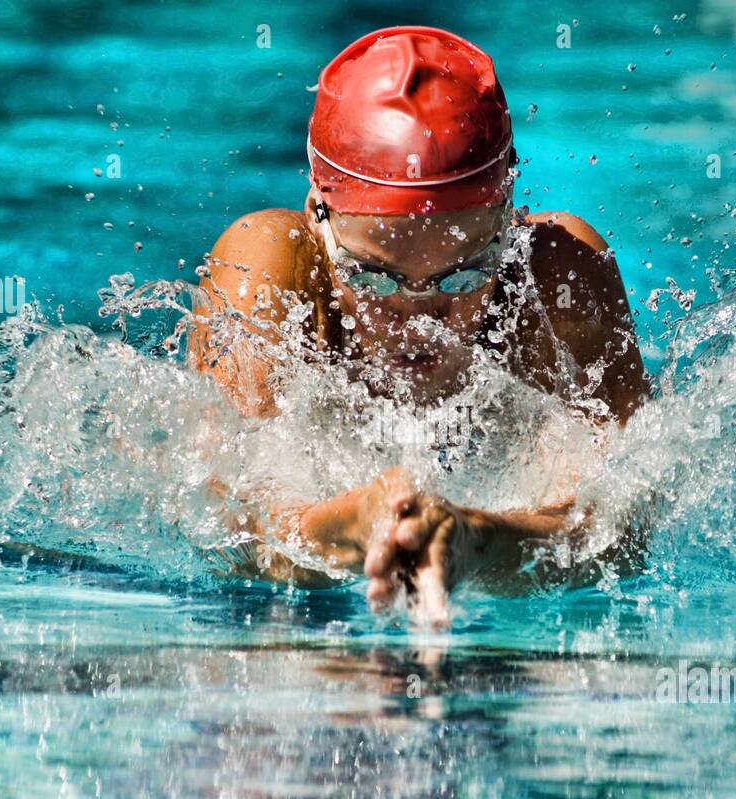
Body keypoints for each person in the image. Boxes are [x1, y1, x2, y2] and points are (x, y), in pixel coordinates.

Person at [190, 26, 650, 626]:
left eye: (464, 274)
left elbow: (625, 525)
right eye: (376, 278)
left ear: (510, 221)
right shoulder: (271, 272)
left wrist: (479, 540)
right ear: (318, 220)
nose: (419, 316)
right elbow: (221, 520)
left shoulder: (557, 280)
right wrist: (346, 529)